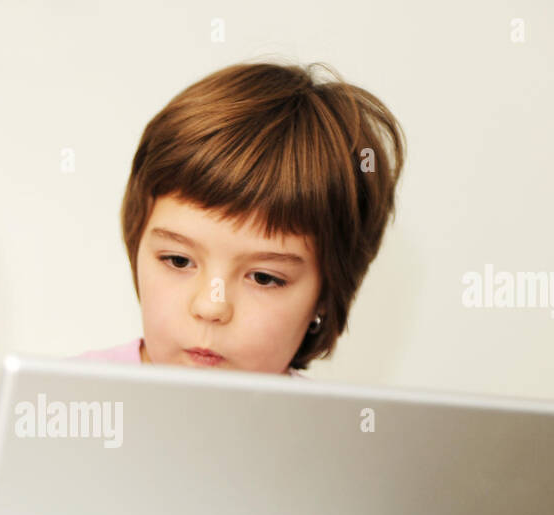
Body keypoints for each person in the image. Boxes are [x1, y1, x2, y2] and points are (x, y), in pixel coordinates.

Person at [82, 61, 405, 376]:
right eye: (179, 261)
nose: (211, 306)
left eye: (264, 278)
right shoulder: (64, 405)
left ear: (324, 295)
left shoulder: (336, 430)